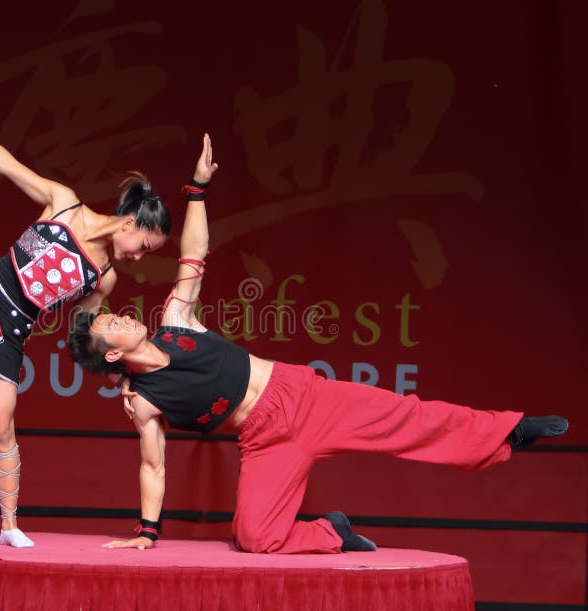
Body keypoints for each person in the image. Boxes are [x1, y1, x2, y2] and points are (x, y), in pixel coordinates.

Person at [67, 133, 569, 554]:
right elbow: (152, 464)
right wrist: (146, 532)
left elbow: (193, 255)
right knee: (254, 536)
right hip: (266, 440)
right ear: (111, 353)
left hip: (303, 397)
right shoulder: (145, 403)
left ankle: (510, 431)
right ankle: (333, 532)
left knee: (407, 417)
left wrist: (196, 187)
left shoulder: (176, 323)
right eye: (109, 322)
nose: (119, 315)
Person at [0, 52, 172, 548]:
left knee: (0, 424)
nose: (139, 257)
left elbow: (86, 335)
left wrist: (123, 373)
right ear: (131, 224)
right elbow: (7, 165)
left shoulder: (105, 279)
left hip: (9, 329)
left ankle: (8, 525)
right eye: (144, 247)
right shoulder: (64, 203)